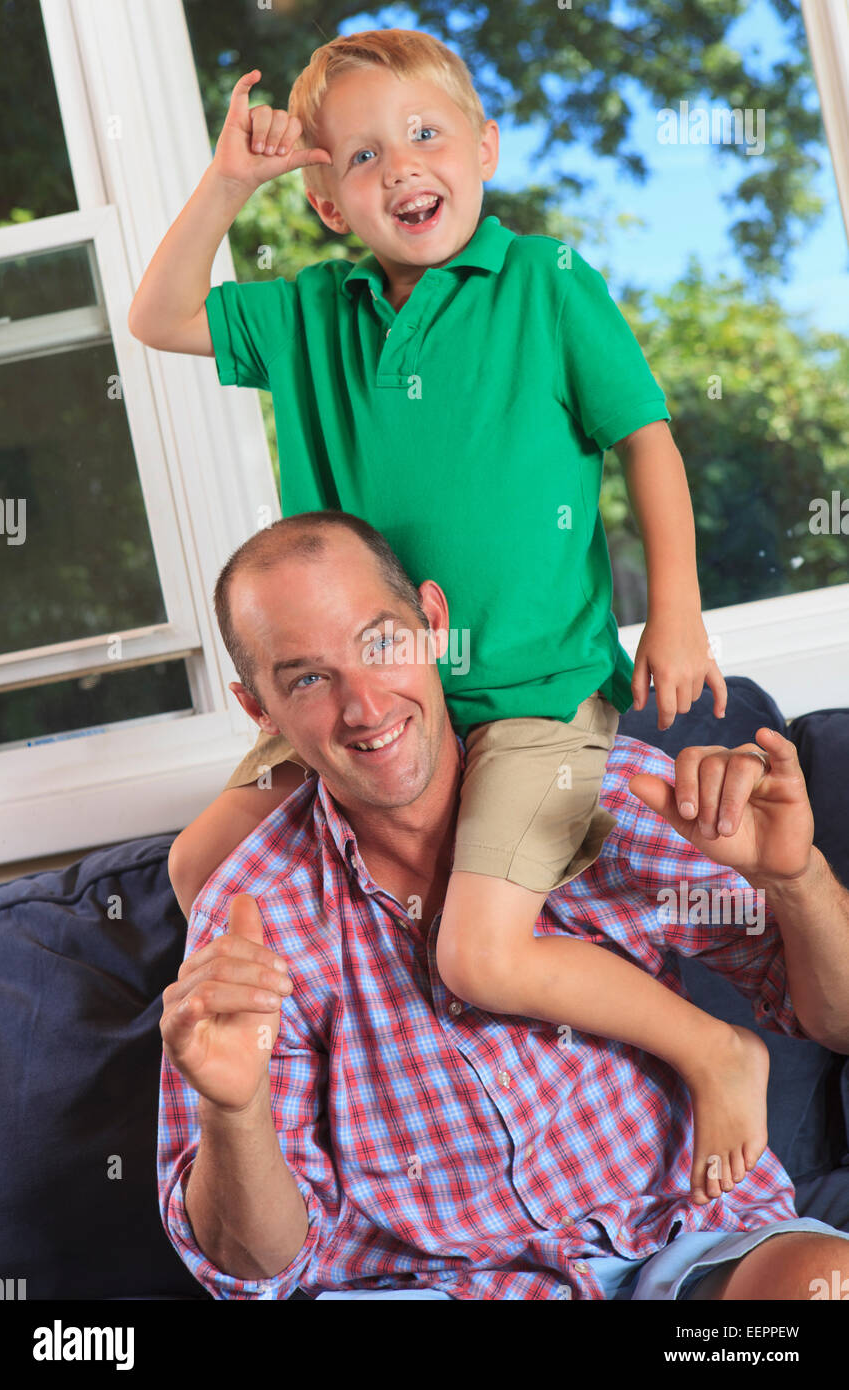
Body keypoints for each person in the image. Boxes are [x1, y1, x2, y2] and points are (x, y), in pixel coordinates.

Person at [130, 26, 765, 1208]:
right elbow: (157, 317)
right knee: (194, 866)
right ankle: (320, 1091)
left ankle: (711, 1048)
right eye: (360, 157)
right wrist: (227, 180)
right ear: (322, 199)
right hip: (367, 693)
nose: (401, 165)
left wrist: (672, 614)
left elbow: (647, 440)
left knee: (476, 950)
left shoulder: (547, 283)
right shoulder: (313, 314)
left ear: (481, 145)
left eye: (424, 134)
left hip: (525, 697)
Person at [157, 514, 849, 1301]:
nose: (364, 705)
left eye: (381, 643)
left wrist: (798, 882)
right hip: (440, 1287)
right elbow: (256, 1267)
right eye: (308, 678)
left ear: (433, 624)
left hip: (683, 1244)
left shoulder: (595, 792)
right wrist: (235, 1112)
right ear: (261, 712)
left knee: (824, 1288)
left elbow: (838, 1018)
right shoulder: (249, 912)